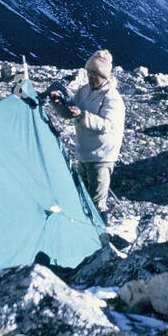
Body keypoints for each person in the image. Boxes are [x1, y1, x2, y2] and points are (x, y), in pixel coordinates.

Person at [51, 49, 125, 217]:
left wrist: (82, 115)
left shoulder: (112, 97)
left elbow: (108, 125)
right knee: (81, 197)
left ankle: (101, 235)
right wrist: (58, 103)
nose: (90, 77)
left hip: (101, 156)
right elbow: (70, 110)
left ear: (103, 75)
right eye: (88, 73)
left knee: (97, 203)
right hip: (84, 154)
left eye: (94, 74)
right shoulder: (84, 90)